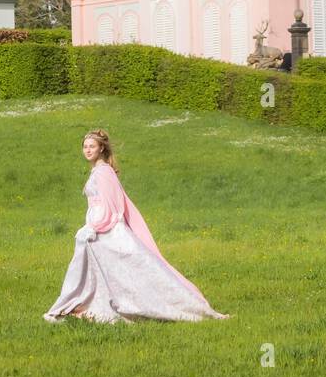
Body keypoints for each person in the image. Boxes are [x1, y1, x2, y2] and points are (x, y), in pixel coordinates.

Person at [43, 129, 230, 324]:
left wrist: (94, 227)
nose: (87, 150)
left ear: (101, 148)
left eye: (92, 146)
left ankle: (173, 306)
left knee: (134, 270)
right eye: (85, 146)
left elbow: (111, 206)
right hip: (98, 227)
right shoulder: (98, 170)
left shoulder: (103, 171)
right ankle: (84, 303)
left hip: (105, 228)